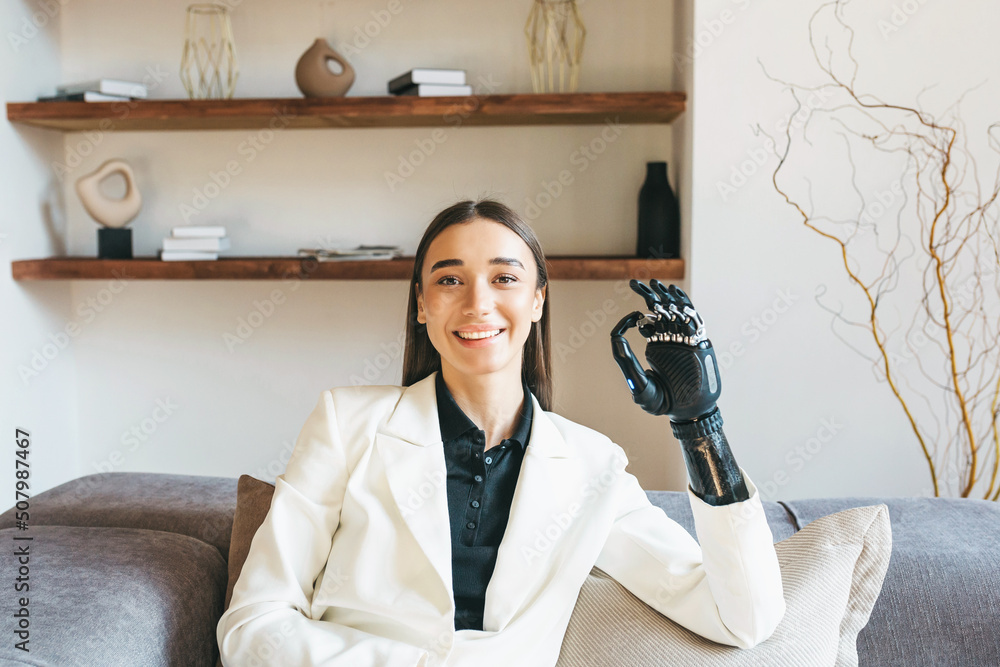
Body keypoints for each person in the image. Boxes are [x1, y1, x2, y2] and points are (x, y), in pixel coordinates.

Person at [216, 199, 785, 667]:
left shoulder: (593, 466)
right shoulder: (347, 424)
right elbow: (253, 625)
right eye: (449, 280)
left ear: (537, 300)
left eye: (505, 278)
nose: (477, 303)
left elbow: (743, 618)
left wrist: (700, 427)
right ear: (421, 303)